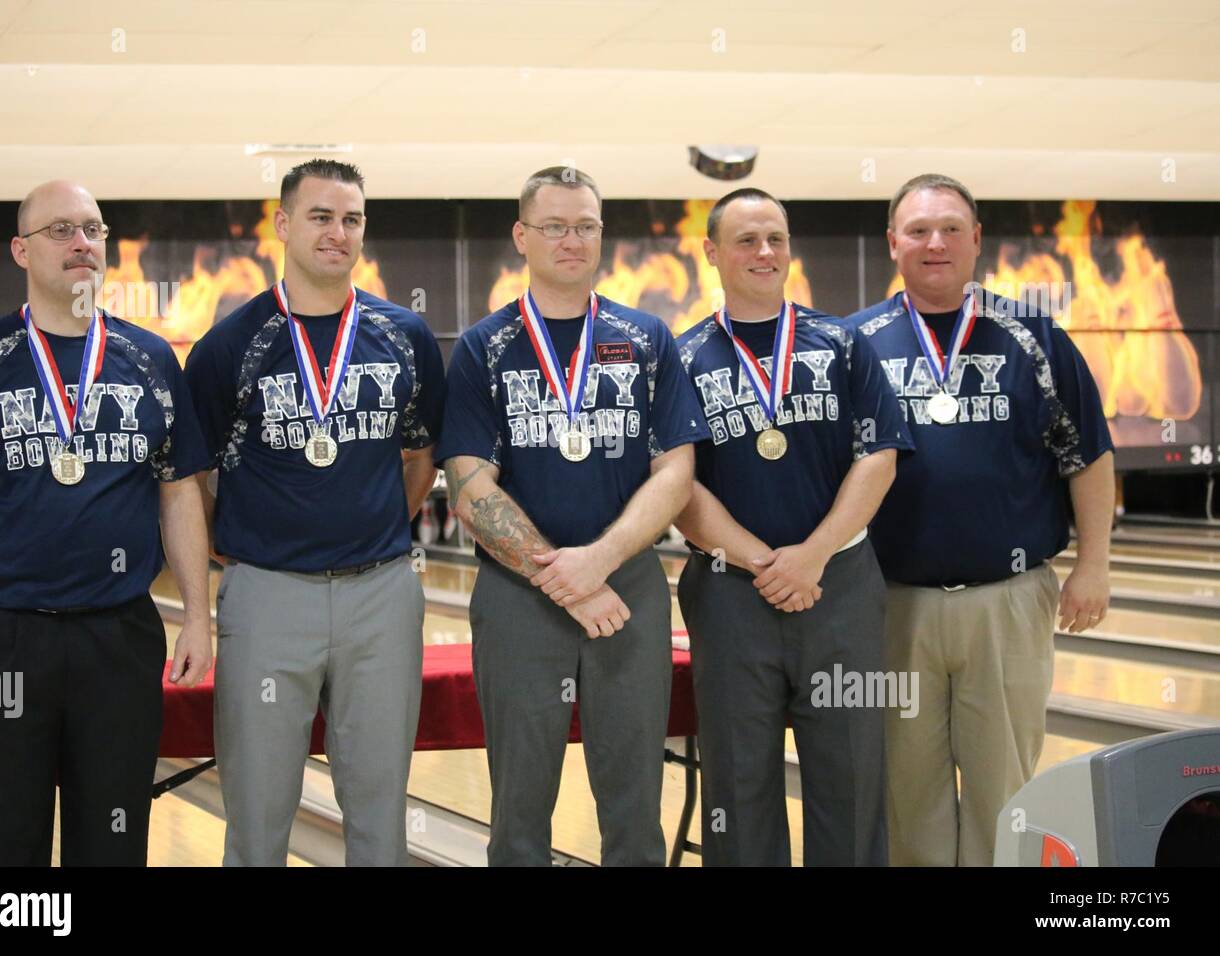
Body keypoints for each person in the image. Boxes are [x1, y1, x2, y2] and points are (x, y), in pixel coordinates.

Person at [0, 180, 212, 866]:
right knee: (1, 837)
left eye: (94, 229)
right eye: (61, 230)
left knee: (111, 837)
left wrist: (198, 614)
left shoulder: (150, 359)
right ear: (21, 250)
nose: (82, 243)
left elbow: (178, 492)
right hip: (5, 634)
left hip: (120, 632)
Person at [436, 166, 709, 866]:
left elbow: (676, 470)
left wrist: (600, 562)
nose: (571, 239)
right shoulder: (483, 347)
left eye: (585, 225)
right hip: (519, 595)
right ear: (522, 236)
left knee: (634, 807)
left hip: (630, 589)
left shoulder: (647, 337)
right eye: (554, 226)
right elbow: (469, 485)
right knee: (519, 813)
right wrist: (565, 578)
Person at [846, 173, 1114, 866]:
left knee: (1005, 792)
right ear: (892, 244)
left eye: (951, 229)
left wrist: (1094, 565)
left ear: (976, 241)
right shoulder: (854, 343)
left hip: (1008, 601)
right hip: (891, 606)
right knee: (909, 792)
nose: (935, 243)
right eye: (918, 230)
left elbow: (1086, 455)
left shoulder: (1035, 336)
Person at [184, 159, 445, 866]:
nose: (338, 232)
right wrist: (236, 546)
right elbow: (189, 474)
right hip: (268, 596)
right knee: (259, 814)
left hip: (382, 595)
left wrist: (379, 526)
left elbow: (420, 455)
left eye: (352, 219)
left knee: (379, 812)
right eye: (321, 216)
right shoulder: (230, 344)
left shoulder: (403, 335)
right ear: (283, 225)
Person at [672, 188, 912, 866]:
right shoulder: (683, 358)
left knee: (852, 776)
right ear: (712, 253)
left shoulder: (841, 343)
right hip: (727, 593)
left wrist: (811, 556)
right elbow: (677, 485)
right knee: (737, 780)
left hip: (840, 588)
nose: (765, 252)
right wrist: (763, 562)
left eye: (775, 238)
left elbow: (879, 458)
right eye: (746, 240)